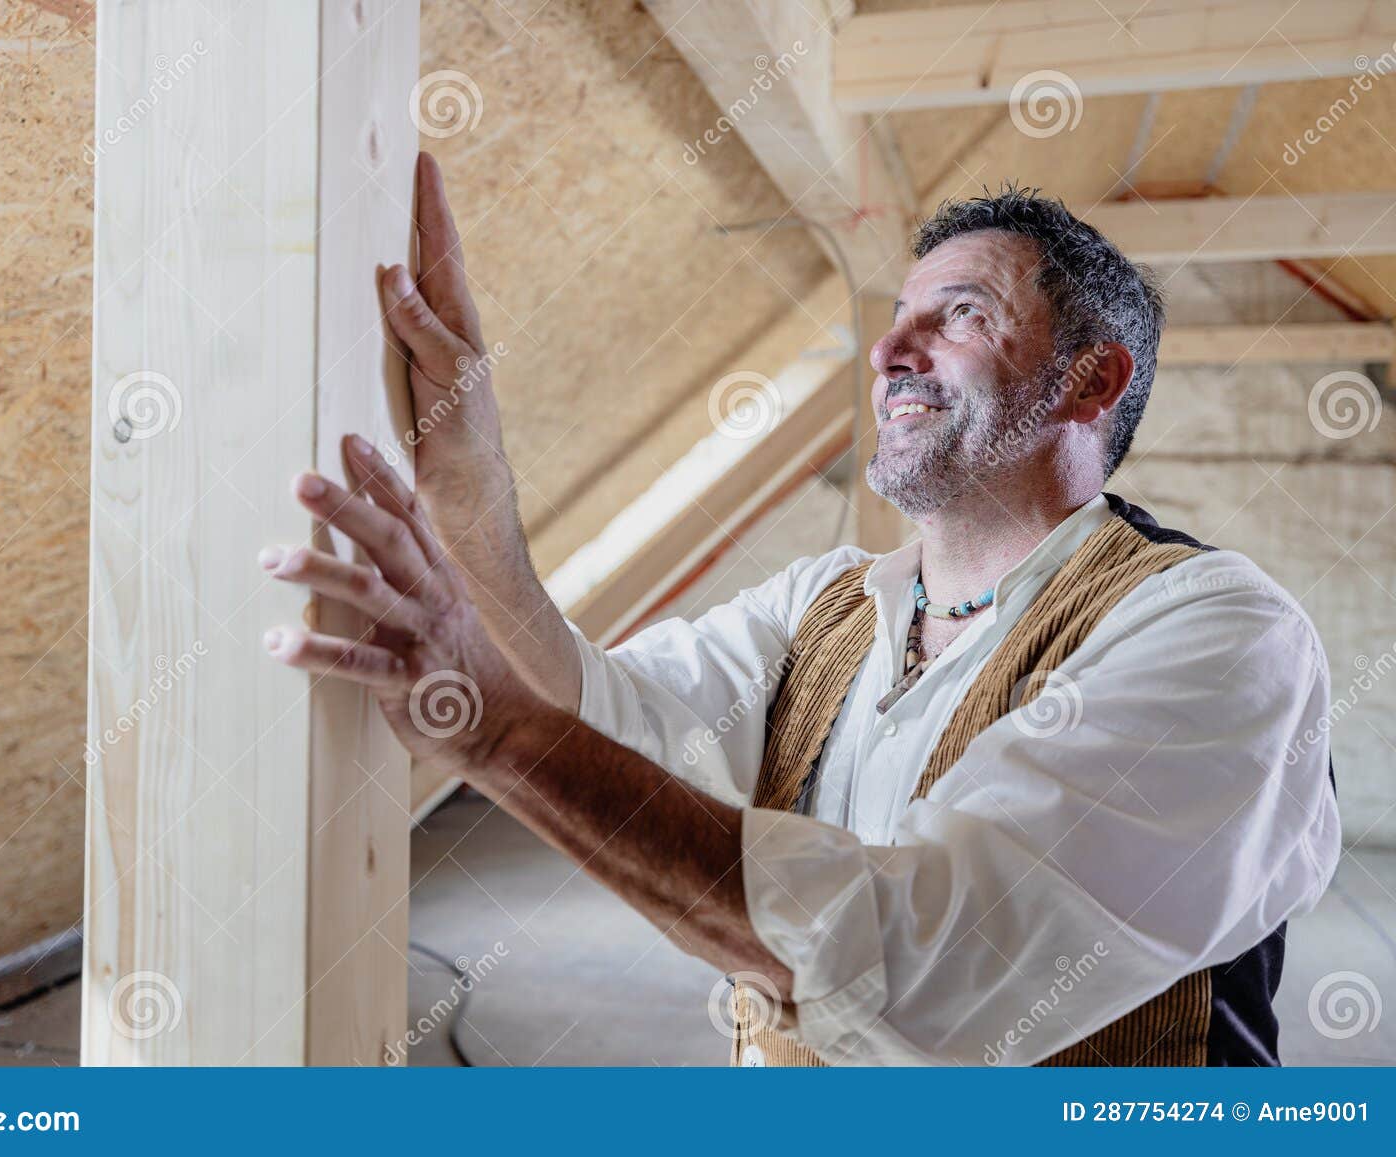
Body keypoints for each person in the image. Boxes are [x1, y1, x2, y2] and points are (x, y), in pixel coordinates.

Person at [257, 153, 1340, 1066]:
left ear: (1091, 381)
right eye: (896, 318)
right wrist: (475, 503)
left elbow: (920, 965)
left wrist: (495, 731)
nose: (888, 351)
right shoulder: (824, 603)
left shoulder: (1216, 631)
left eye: (959, 314)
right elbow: (601, 710)